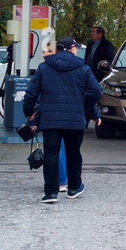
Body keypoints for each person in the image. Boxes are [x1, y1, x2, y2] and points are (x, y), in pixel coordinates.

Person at [22, 36, 101, 205]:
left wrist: (29, 112)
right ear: (71, 48)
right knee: (73, 153)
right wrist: (86, 110)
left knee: (51, 154)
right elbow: (95, 91)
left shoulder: (44, 68)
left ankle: (50, 193)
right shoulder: (83, 68)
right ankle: (74, 188)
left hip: (51, 121)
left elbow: (31, 93)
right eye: (75, 48)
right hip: (74, 120)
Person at [38, 43, 69, 192]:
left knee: (54, 150)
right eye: (44, 51)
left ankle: (59, 181)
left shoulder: (44, 70)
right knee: (61, 148)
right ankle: (63, 180)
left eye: (49, 51)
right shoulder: (68, 68)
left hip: (51, 116)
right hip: (66, 115)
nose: (45, 54)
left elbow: (36, 95)